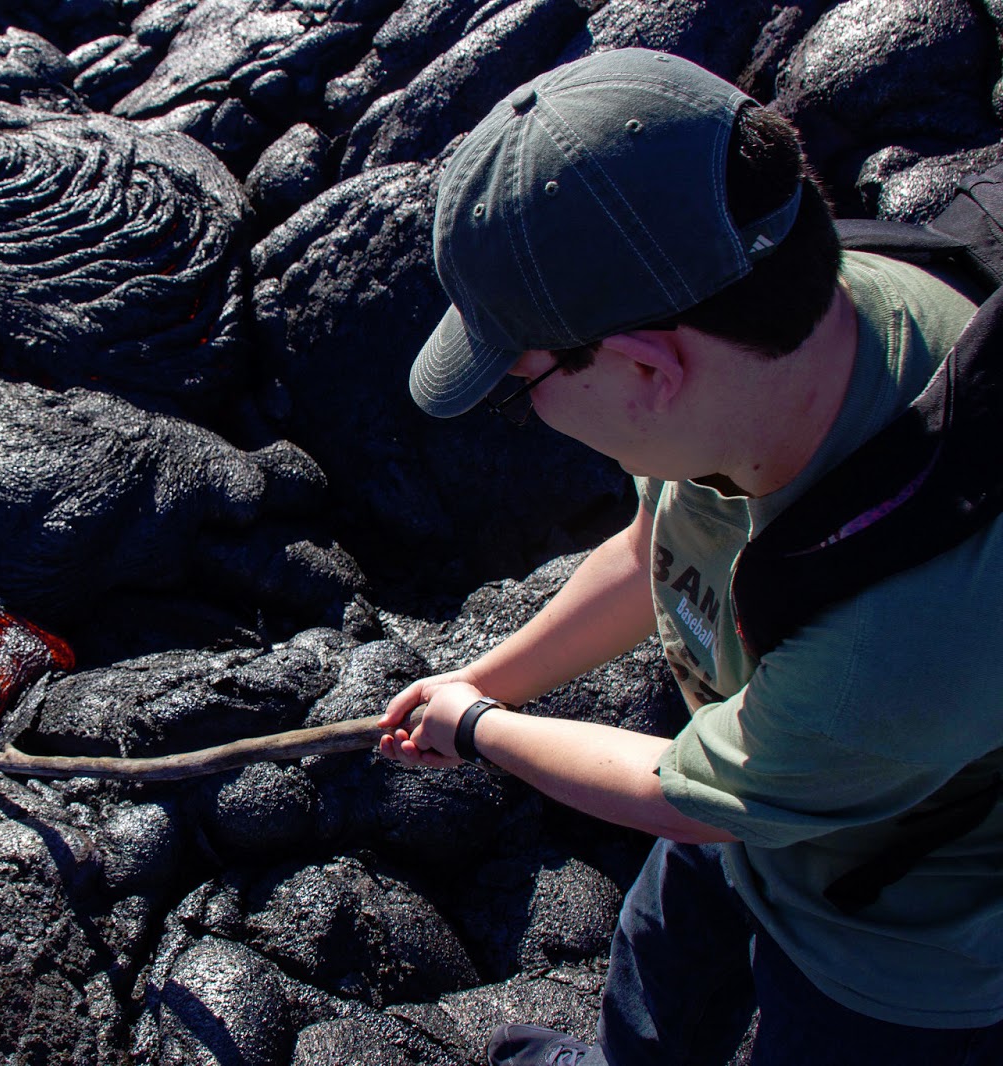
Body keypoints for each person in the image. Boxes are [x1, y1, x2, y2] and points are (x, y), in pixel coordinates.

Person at [376, 47, 1003, 1066]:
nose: (529, 417)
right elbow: (648, 547)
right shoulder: (782, 333)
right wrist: (475, 679)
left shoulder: (907, 634)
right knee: (659, 977)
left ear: (640, 364)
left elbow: (684, 793)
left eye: (517, 384)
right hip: (748, 801)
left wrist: (484, 730)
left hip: (892, 957)